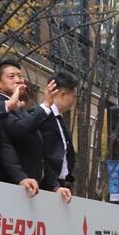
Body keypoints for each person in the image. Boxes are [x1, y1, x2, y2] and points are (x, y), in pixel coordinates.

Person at [0, 57, 52, 198]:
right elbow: (18, 130)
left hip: (30, 186)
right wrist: (44, 106)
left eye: (20, 76)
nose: (18, 80)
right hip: (10, 186)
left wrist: (54, 186)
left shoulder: (21, 109)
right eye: (11, 76)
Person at [39, 71, 78, 202]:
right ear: (62, 94)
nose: (74, 101)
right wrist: (53, 185)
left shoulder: (59, 120)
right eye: (74, 96)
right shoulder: (43, 117)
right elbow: (42, 156)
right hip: (46, 187)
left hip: (59, 185)